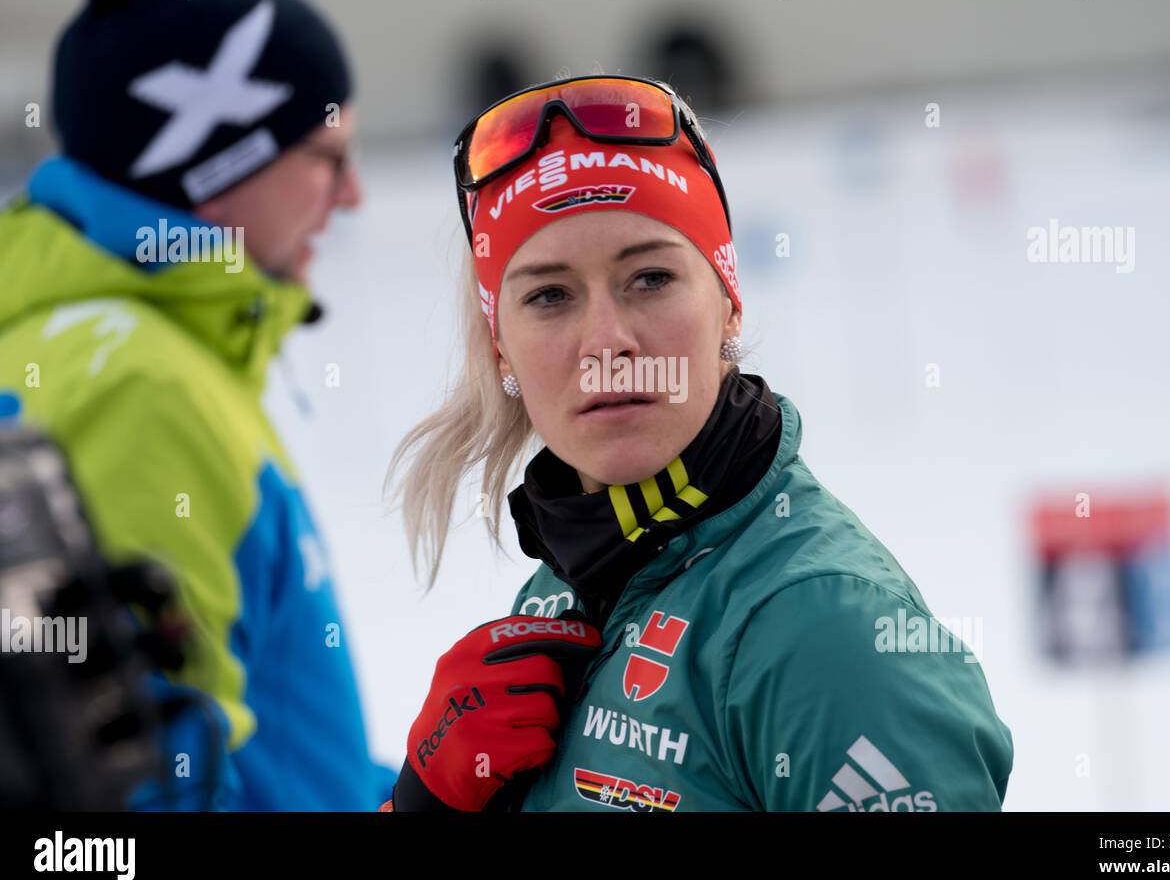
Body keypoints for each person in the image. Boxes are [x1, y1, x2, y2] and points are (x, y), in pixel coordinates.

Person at [381, 74, 1014, 812]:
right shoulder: (564, 589)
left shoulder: (826, 630)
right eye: (549, 296)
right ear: (500, 350)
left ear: (729, 305)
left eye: (649, 278)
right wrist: (423, 803)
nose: (607, 343)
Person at [0, 0, 392, 809]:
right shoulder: (139, 390)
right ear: (216, 162)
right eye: (326, 153)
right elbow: (146, 795)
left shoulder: (102, 350)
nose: (350, 194)